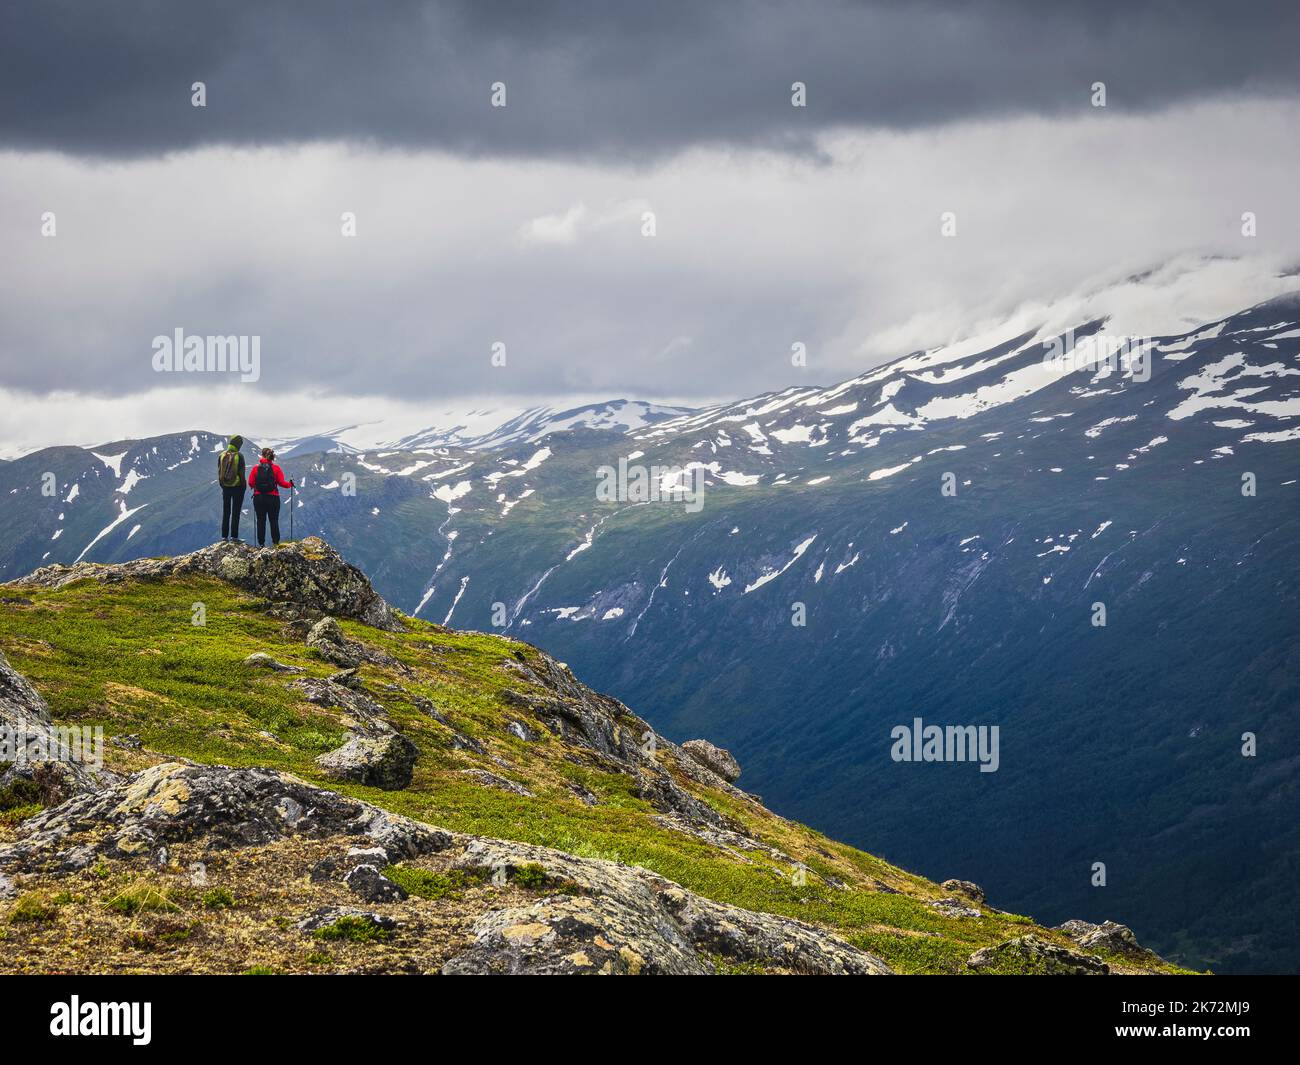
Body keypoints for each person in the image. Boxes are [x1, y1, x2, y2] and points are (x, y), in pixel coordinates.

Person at [248, 447, 294, 547]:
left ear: (262, 455)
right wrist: (290, 484)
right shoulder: (276, 468)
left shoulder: (255, 468)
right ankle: (276, 543)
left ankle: (261, 544)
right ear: (272, 456)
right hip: (273, 498)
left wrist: (256, 487)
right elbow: (282, 483)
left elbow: (250, 483)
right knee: (273, 521)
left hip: (258, 498)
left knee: (261, 521)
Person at [217, 434, 247, 542]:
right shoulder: (240, 456)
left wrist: (223, 486)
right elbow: (242, 474)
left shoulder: (221, 455)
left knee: (226, 512)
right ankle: (234, 537)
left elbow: (219, 471)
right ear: (239, 445)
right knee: (235, 512)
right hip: (238, 488)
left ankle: (224, 537)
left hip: (225, 487)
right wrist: (243, 487)